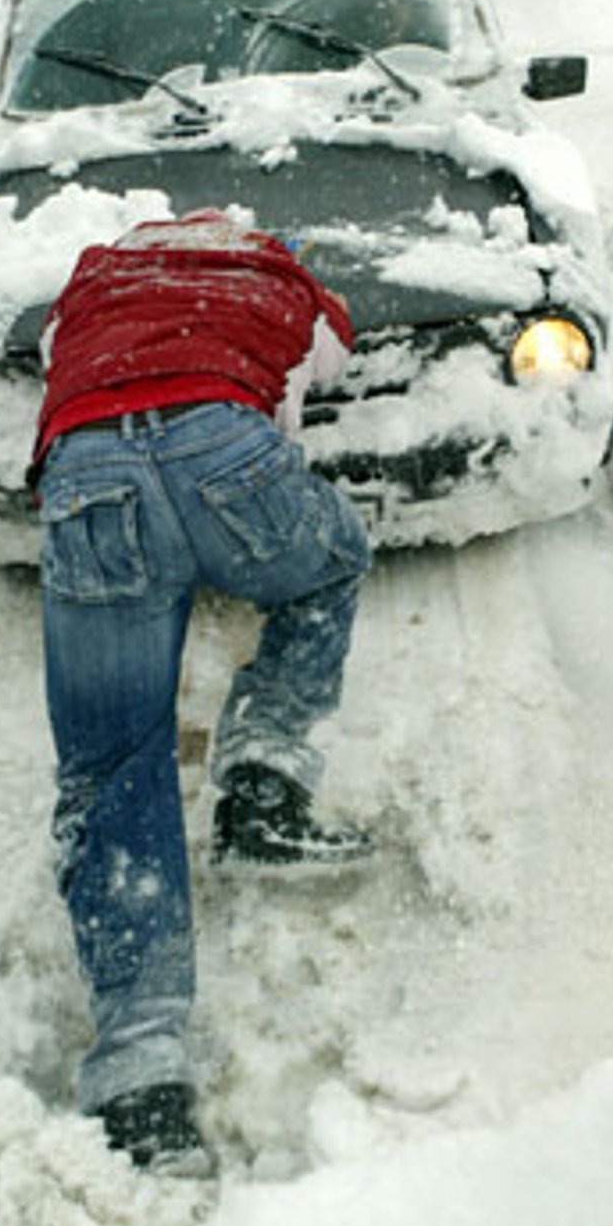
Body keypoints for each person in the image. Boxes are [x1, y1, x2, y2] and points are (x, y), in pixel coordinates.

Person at [31, 208, 373, 1177]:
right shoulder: (282, 271)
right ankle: (263, 784)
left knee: (110, 767)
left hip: (87, 468)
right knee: (329, 561)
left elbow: (58, 361)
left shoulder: (92, 278)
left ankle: (141, 1078)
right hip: (224, 442)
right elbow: (312, 383)